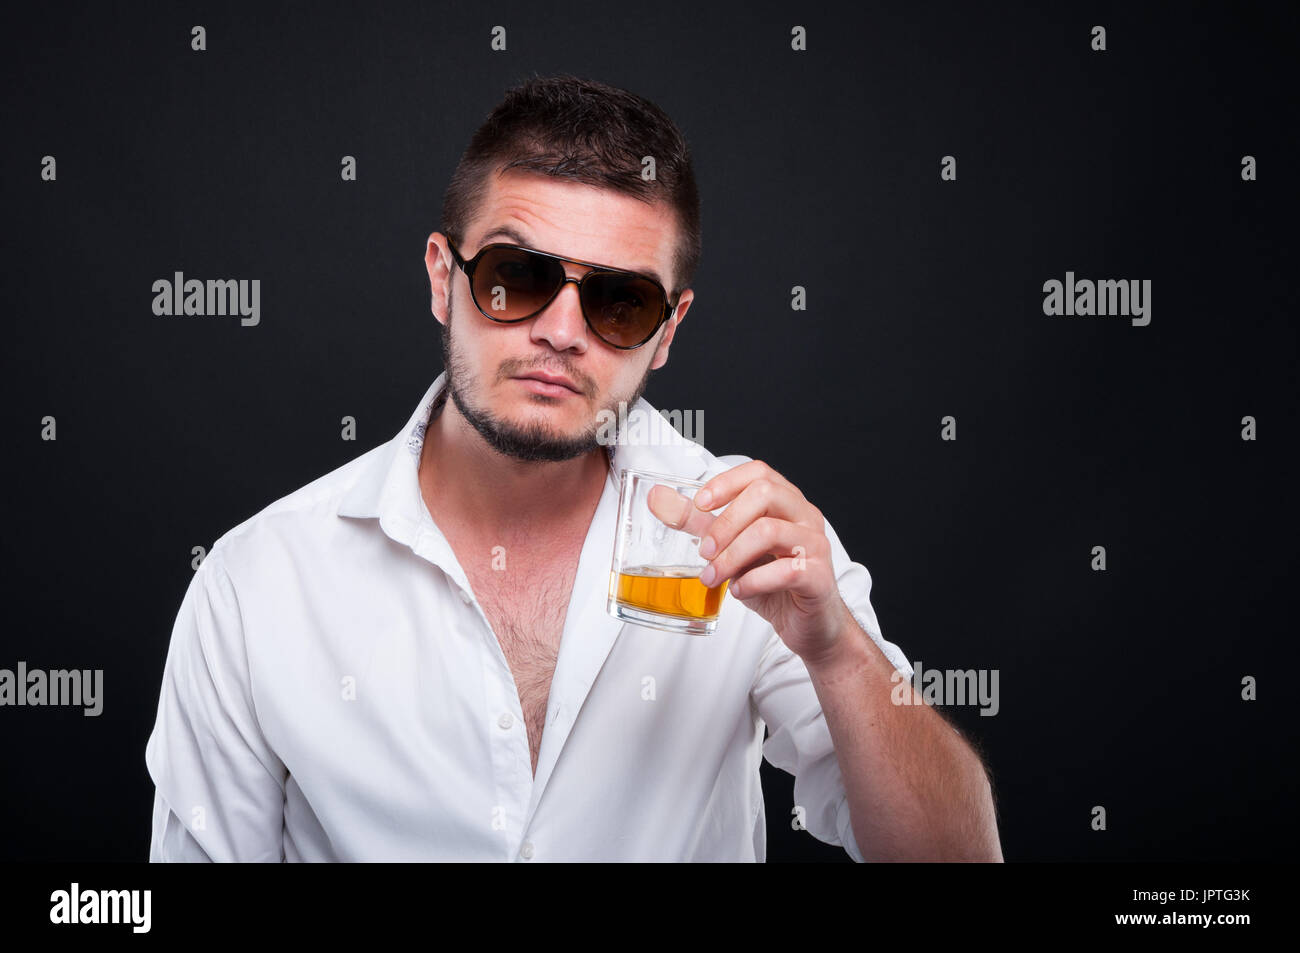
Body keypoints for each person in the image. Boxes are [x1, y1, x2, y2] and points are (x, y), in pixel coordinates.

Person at [145, 73, 1002, 862]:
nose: (560, 330)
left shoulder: (749, 537)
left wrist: (839, 652)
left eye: (618, 301)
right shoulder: (257, 583)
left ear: (668, 330)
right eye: (518, 278)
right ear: (445, 278)